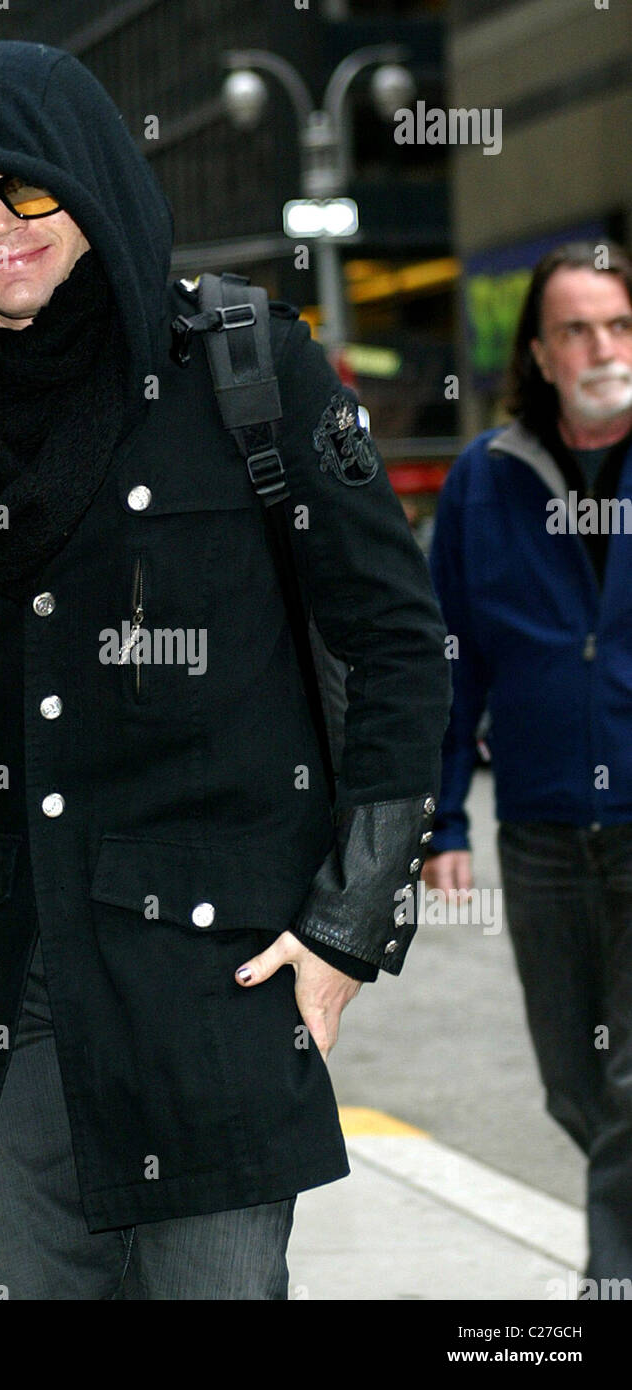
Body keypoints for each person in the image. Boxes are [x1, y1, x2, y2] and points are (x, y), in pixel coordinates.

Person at [0, 40, 450, 1300]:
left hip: (219, 979)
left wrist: (346, 929)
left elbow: (395, 647)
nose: (1, 228)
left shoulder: (241, 364)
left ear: (89, 182)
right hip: (17, 981)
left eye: (30, 190)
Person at [424, 241, 632, 1286]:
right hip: (543, 833)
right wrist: (444, 820)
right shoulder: (482, 485)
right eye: (578, 330)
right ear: (541, 355)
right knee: (574, 1083)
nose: (603, 347)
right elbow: (445, 669)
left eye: (620, 325)